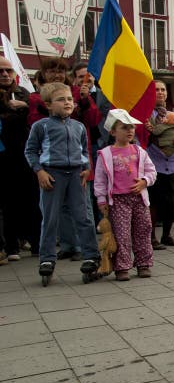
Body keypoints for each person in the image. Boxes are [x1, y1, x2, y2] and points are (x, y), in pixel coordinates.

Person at [24, 83, 99, 280]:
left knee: (83, 217)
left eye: (69, 99)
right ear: (48, 105)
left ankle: (91, 255)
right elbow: (30, 151)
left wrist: (86, 168)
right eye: (60, 99)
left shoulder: (79, 126)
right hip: (52, 175)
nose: (67, 103)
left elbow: (84, 150)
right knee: (50, 218)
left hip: (76, 175)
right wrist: (39, 171)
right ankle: (47, 258)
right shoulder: (41, 126)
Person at [94, 110, 157, 281]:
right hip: (118, 200)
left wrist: (145, 181)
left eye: (131, 127)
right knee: (121, 233)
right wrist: (101, 199)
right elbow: (99, 179)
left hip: (139, 198)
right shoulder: (105, 154)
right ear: (113, 132)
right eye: (124, 127)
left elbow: (152, 171)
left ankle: (143, 264)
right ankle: (122, 266)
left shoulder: (139, 151)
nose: (130, 130)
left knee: (143, 230)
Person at [0, 56, 39, 261]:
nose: (5, 75)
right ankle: (10, 245)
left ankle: (35, 242)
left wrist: (22, 106)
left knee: (31, 199)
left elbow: (32, 116)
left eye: (9, 70)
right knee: (7, 203)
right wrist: (8, 108)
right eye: (1, 71)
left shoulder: (24, 93)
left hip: (24, 154)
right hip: (3, 156)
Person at [146, 81, 174, 248]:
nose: (160, 92)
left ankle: (167, 235)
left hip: (171, 166)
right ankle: (151, 238)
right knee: (153, 204)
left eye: (163, 89)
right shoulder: (146, 114)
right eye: (156, 90)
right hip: (152, 165)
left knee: (171, 204)